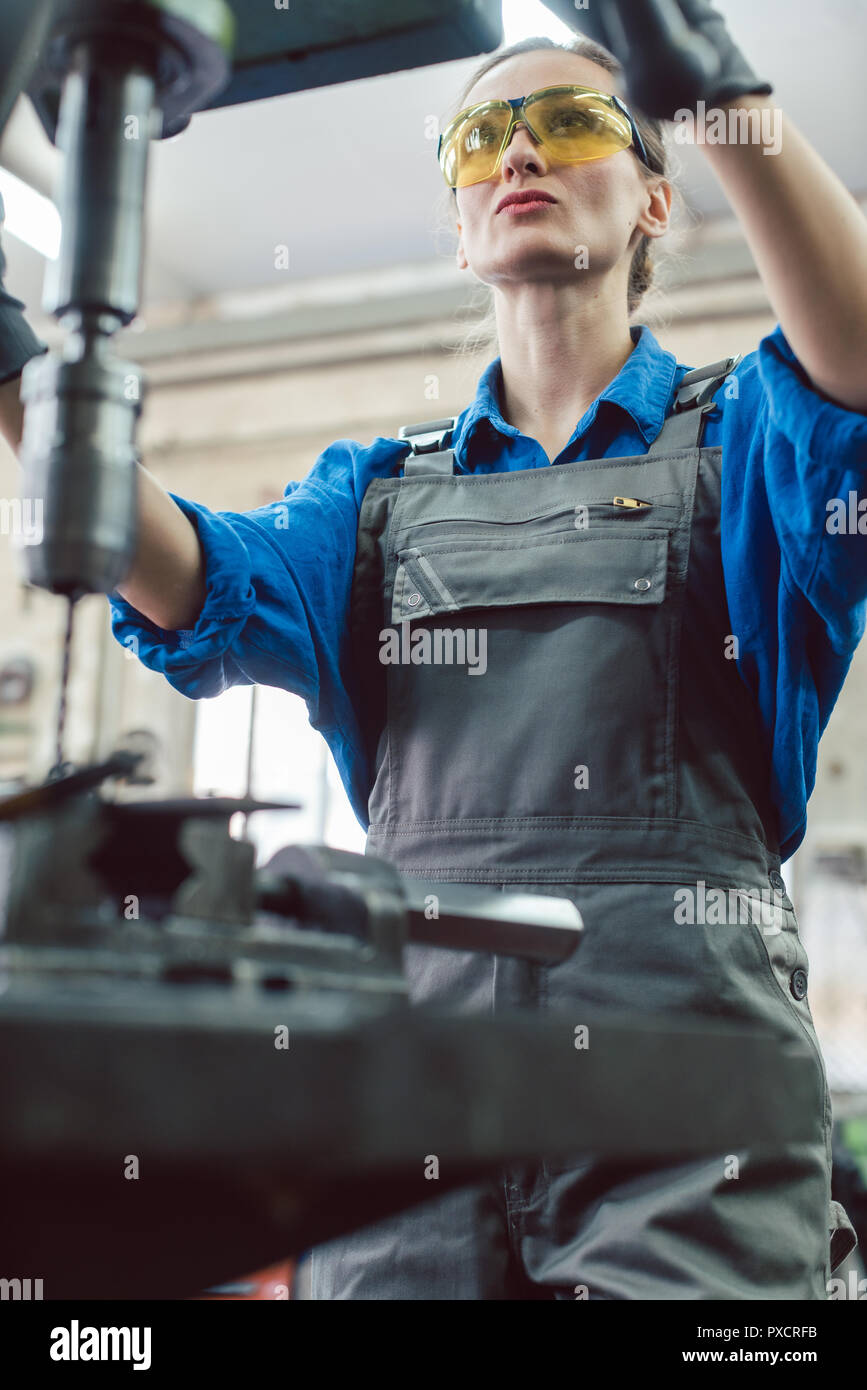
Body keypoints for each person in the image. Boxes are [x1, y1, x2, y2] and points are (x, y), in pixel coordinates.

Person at [2, 11, 866, 1299]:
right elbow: (182, 569)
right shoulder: (371, 502)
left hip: (682, 1113)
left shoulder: (747, 437)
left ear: (655, 204)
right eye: (481, 138)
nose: (519, 151)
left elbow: (855, 375)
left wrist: (724, 96)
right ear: (462, 225)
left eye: (571, 122)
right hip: (405, 1115)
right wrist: (17, 359)